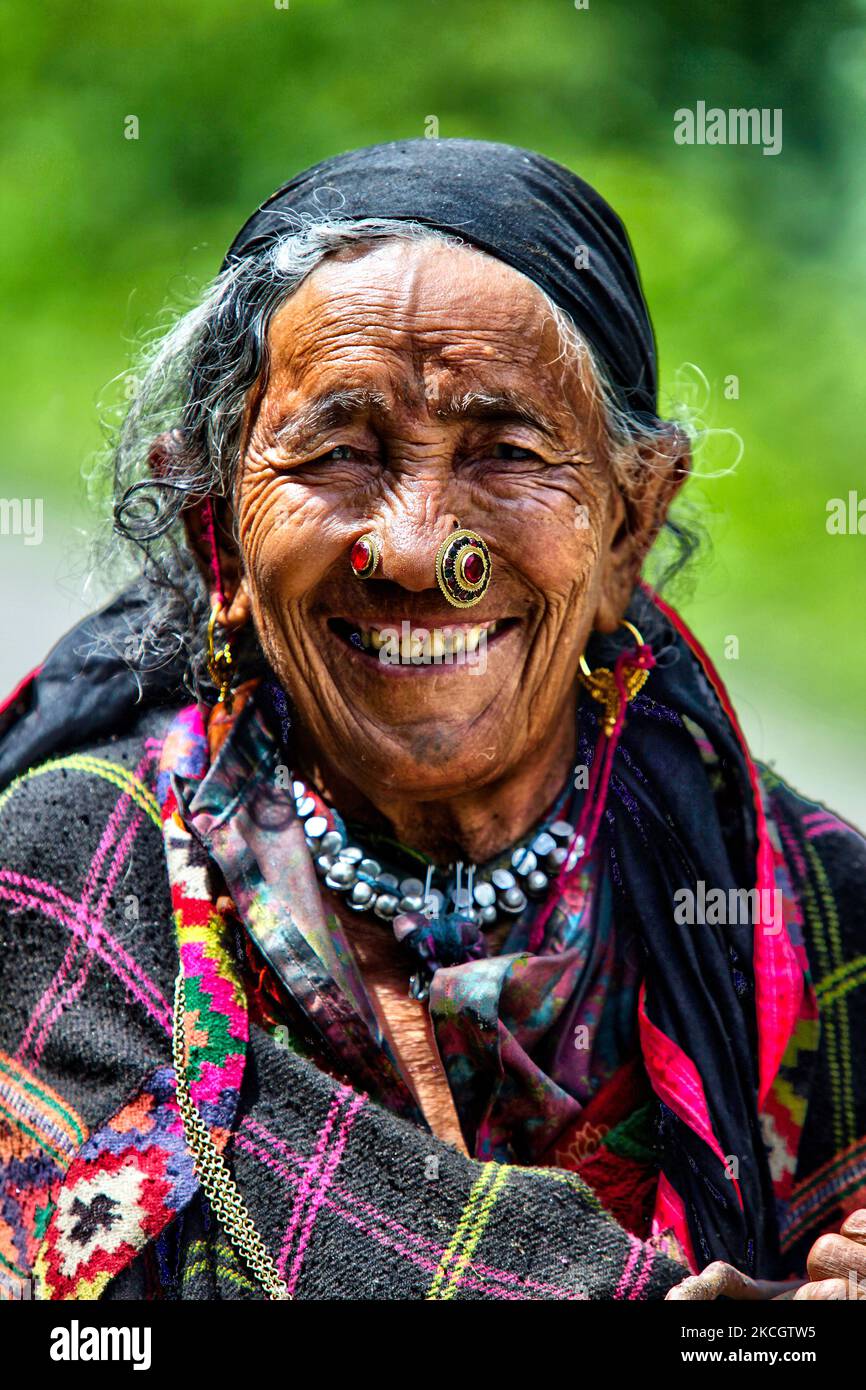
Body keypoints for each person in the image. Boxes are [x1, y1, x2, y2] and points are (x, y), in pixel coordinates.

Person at [1, 139, 864, 1302]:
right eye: (341, 452)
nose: (418, 553)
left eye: (505, 451)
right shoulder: (70, 881)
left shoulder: (817, 918)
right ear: (220, 533)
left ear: (625, 527)